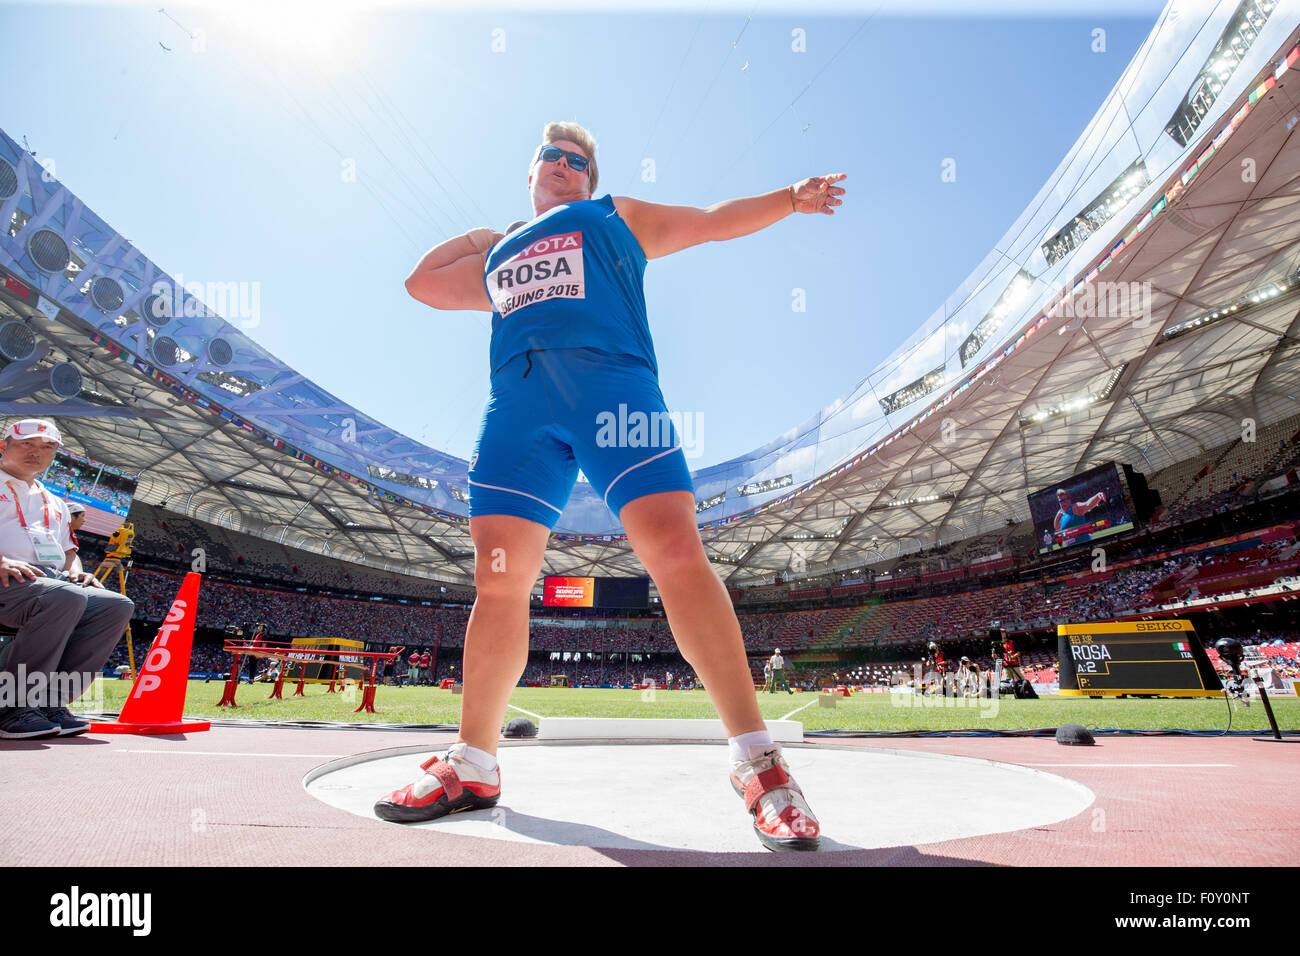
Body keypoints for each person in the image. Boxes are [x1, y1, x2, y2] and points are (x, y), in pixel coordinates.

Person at [374, 121, 844, 851]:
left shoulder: (611, 216)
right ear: (530, 172)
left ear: (589, 179)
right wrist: (477, 235)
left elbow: (714, 223)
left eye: (577, 161)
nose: (564, 166)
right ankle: (473, 764)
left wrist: (789, 197)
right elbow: (421, 284)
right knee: (497, 580)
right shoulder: (499, 253)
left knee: (675, 551)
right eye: (551, 158)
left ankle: (758, 763)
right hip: (518, 409)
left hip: (614, 390)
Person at [0, 419, 135, 739]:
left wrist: (76, 572)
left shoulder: (54, 501)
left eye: (47, 447)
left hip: (46, 581)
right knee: (62, 596)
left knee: (115, 605)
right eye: (27, 444)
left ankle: (50, 701)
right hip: (8, 578)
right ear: (3, 446)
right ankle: (13, 705)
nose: (37, 453)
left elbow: (66, 552)